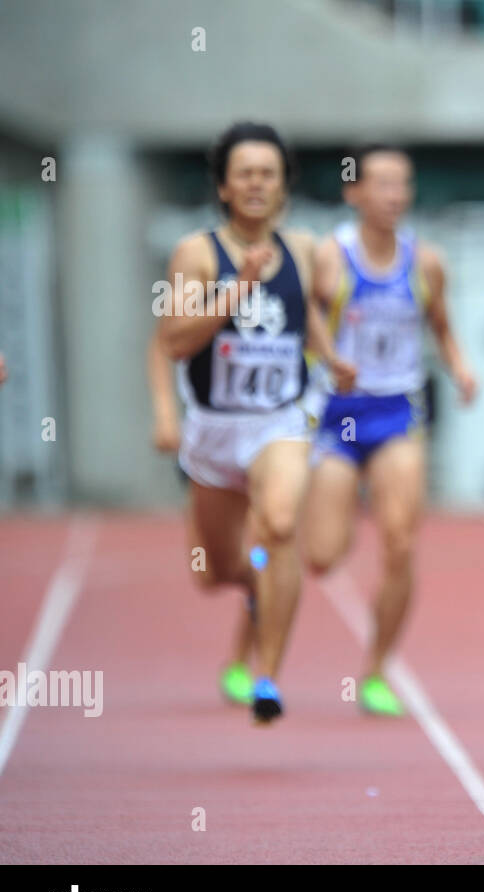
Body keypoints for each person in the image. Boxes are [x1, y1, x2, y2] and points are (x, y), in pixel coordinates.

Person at [157, 121, 355, 724]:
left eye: (267, 173)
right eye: (244, 173)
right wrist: (236, 288)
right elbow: (173, 339)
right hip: (215, 427)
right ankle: (255, 584)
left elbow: (305, 318)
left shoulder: (301, 248)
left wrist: (330, 355)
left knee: (277, 523)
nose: (255, 184)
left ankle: (266, 674)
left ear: (282, 186)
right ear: (223, 186)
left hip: (280, 420)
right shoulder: (196, 252)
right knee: (217, 570)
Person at [302, 144, 476, 716]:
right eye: (381, 184)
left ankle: (376, 668)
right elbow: (303, 319)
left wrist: (460, 367)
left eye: (402, 184)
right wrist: (330, 356)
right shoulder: (331, 255)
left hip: (398, 410)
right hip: (339, 413)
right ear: (354, 192)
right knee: (324, 556)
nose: (394, 195)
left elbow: (442, 325)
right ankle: (337, 509)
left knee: (401, 543)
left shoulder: (425, 262)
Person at [147, 324, 259, 704]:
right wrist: (165, 413)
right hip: (210, 444)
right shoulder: (204, 272)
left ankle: (242, 663)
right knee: (209, 574)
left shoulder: (293, 276)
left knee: (270, 539)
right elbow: (162, 340)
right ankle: (260, 580)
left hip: (271, 438)